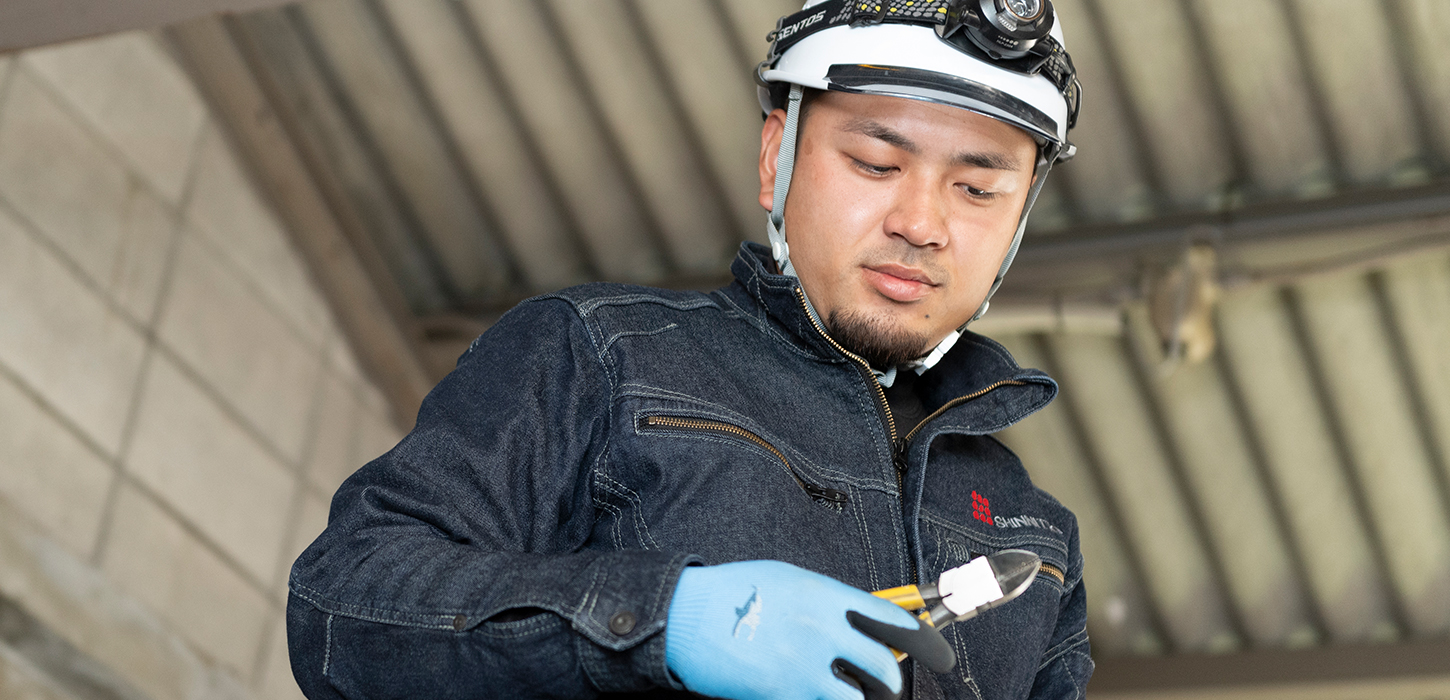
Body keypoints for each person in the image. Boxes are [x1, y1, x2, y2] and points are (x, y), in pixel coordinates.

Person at [287, 0, 1089, 697]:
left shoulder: (1039, 544)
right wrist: (668, 621)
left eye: (979, 190)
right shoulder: (603, 355)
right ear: (777, 157)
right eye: (877, 162)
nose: (922, 223)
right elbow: (344, 603)